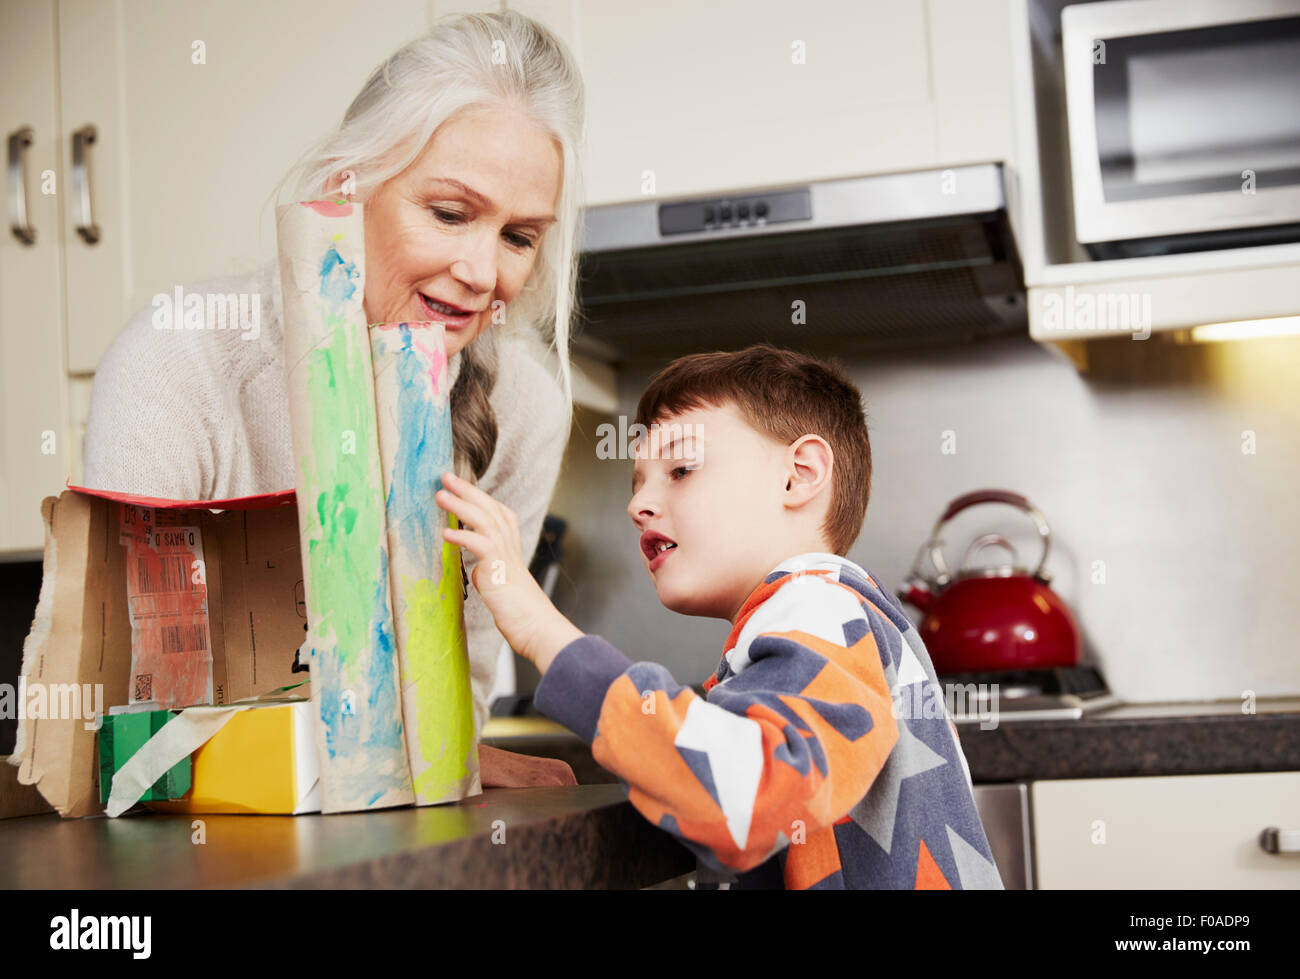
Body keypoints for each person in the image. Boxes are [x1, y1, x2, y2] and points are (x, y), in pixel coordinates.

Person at [80, 11, 585, 787]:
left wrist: (461, 760)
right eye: (449, 213)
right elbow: (137, 738)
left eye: (519, 236)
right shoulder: (176, 361)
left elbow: (460, 701)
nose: (484, 272)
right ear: (346, 186)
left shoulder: (523, 406)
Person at [434, 343, 1005, 888]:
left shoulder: (821, 610)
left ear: (798, 475)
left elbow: (746, 800)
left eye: (681, 470)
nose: (638, 506)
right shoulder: (833, 617)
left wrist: (543, 630)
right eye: (638, 485)